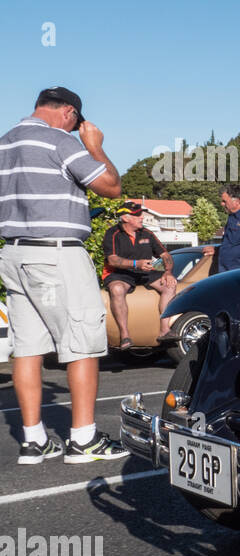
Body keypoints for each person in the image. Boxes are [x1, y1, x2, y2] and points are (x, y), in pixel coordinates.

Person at [0, 87, 129, 463]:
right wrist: (95, 147)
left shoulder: (5, 144)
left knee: (28, 348)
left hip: (14, 254)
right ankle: (84, 440)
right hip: (56, 256)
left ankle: (34, 440)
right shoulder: (59, 141)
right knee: (82, 343)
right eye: (75, 124)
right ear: (69, 113)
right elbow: (111, 187)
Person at [103, 202, 176, 347]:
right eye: (137, 215)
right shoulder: (112, 233)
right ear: (125, 218)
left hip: (144, 272)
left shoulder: (147, 233)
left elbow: (165, 255)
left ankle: (165, 331)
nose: (142, 217)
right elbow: (112, 260)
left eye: (141, 214)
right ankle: (125, 336)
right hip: (120, 274)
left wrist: (168, 272)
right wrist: (136, 263)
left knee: (170, 285)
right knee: (117, 289)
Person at [202, 183, 240, 273]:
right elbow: (232, 244)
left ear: (236, 201)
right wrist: (217, 250)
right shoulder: (232, 217)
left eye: (224, 201)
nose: (222, 204)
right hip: (226, 272)